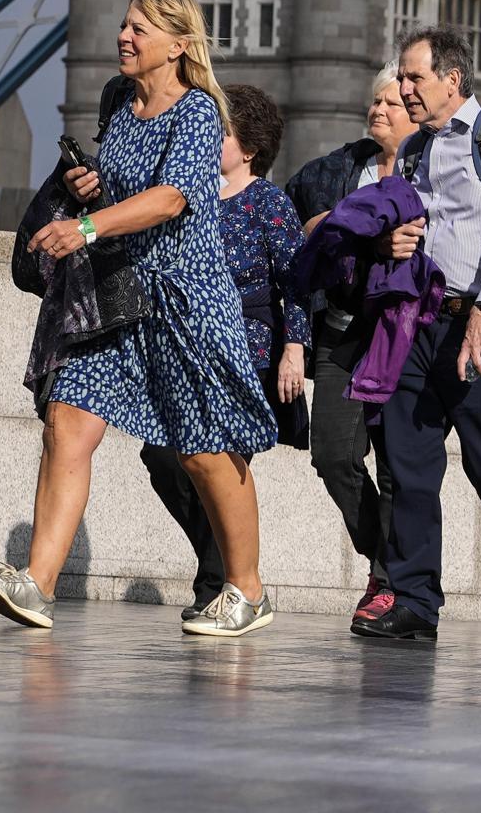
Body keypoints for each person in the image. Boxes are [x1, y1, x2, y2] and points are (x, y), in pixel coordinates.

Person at [0, 0, 281, 637]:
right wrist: (87, 186)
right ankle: (37, 584)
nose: (124, 36)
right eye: (124, 24)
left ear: (179, 45)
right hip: (115, 294)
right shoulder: (117, 99)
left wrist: (85, 228)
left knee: (202, 451)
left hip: (182, 299)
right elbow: (122, 186)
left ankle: (248, 591)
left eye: (140, 29)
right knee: (68, 420)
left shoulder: (198, 112)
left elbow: (171, 198)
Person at [359, 26, 481, 643]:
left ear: (452, 80)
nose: (405, 88)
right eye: (402, 77)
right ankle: (415, 601)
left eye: (415, 77)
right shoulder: (415, 147)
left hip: (475, 323)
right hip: (416, 320)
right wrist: (392, 241)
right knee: (407, 465)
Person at [139, 84, 306, 614]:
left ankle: (216, 588)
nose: (210, 139)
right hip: (188, 349)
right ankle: (227, 567)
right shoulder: (190, 198)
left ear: (250, 147)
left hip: (248, 352)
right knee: (162, 457)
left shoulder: (268, 202)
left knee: (220, 461)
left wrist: (294, 348)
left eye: (223, 131)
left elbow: (297, 282)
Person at [281, 67, 411, 621]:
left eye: (391, 104)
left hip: (404, 332)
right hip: (341, 328)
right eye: (375, 101)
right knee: (333, 455)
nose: (377, 111)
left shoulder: (437, 170)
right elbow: (288, 230)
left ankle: (389, 582)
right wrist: (322, 225)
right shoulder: (334, 170)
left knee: (397, 464)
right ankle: (389, 559)